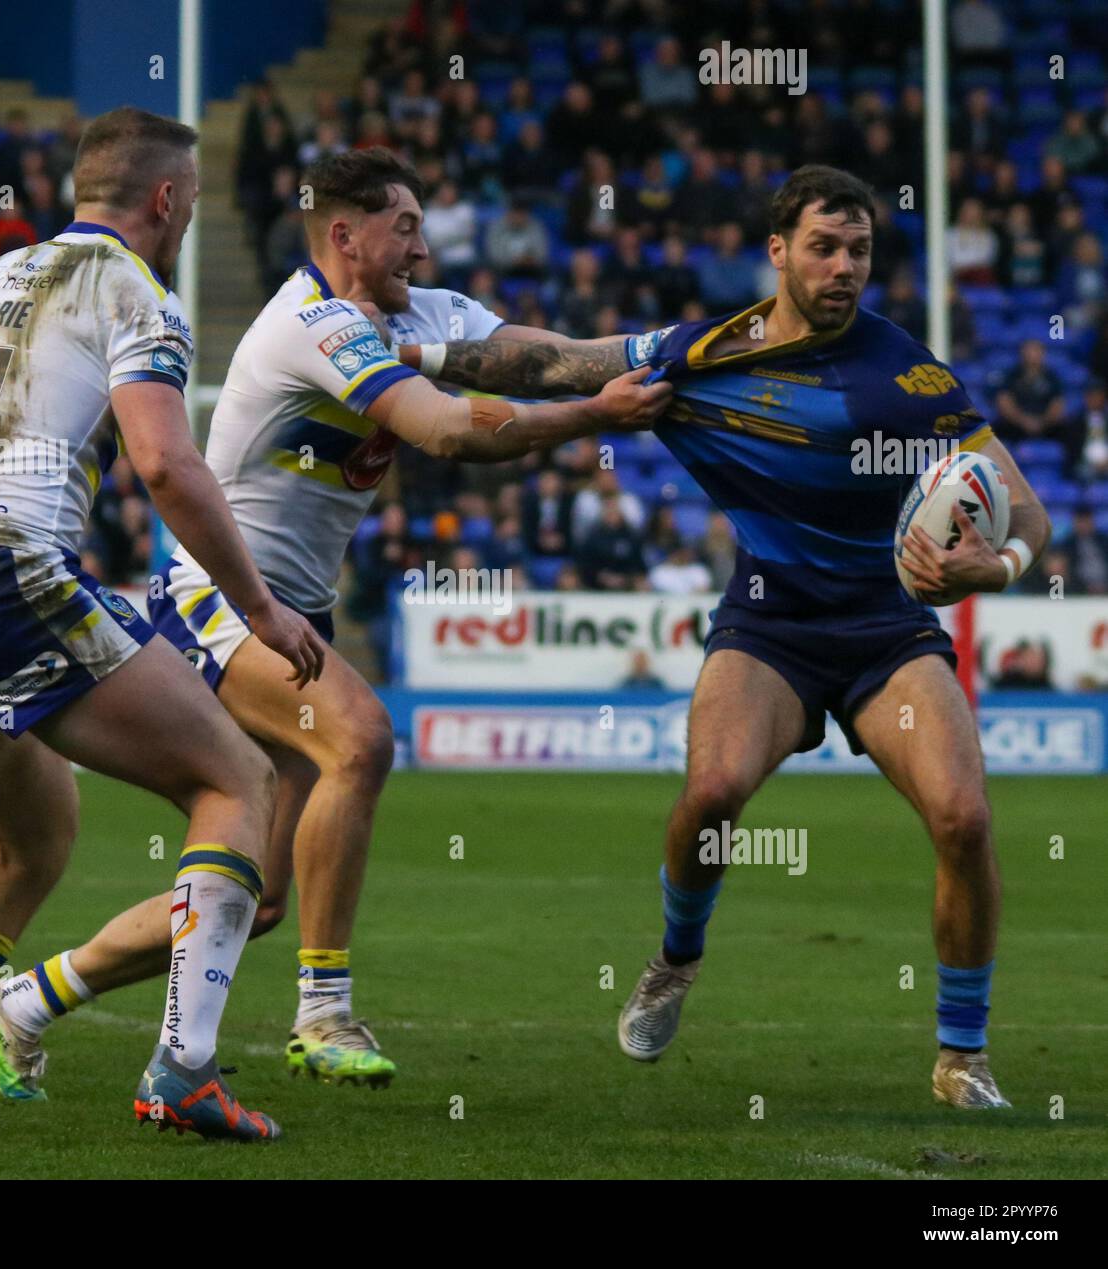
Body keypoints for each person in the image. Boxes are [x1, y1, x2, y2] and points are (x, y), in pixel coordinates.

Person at [0, 147, 672, 1100]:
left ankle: (27, 1001)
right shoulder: (309, 323)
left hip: (296, 613)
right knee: (365, 738)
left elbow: (549, 356)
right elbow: (451, 431)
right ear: (344, 234)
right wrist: (596, 415)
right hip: (219, 600)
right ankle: (324, 1011)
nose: (423, 250)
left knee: (252, 898)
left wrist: (685, 348)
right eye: (405, 229)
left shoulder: (425, 315)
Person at [396, 165, 1053, 1109]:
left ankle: (963, 1054)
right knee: (711, 794)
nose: (844, 269)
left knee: (965, 817)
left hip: (886, 630)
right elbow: (549, 364)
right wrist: (403, 353)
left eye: (860, 250)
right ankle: (675, 956)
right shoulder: (696, 354)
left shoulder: (906, 372)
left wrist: (1000, 567)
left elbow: (1024, 507)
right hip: (771, 623)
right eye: (824, 248)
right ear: (778, 251)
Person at [0, 106, 324, 1141]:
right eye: (187, 202)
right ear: (165, 200)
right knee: (238, 781)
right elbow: (163, 462)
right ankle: (185, 1070)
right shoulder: (137, 289)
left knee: (35, 835)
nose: (187, 218)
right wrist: (260, 608)